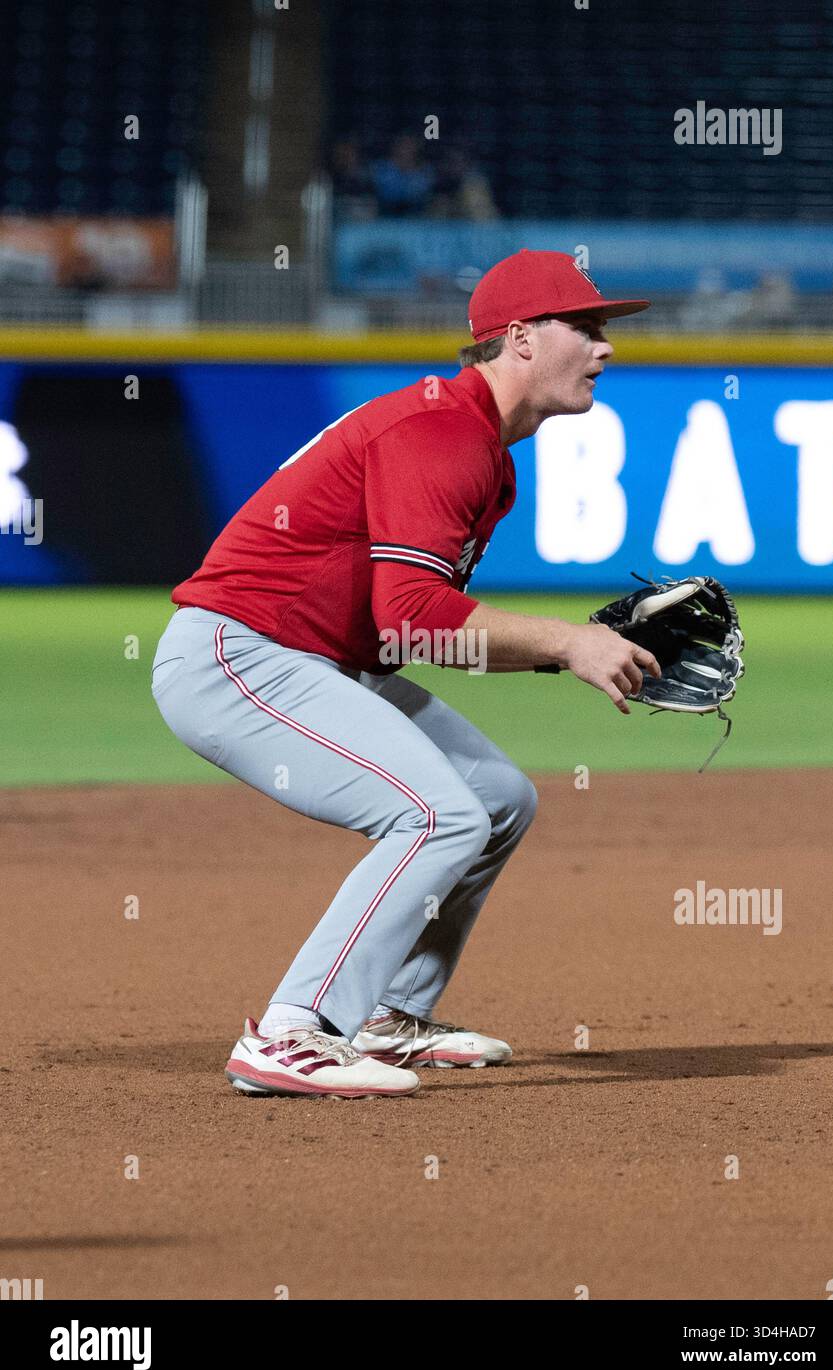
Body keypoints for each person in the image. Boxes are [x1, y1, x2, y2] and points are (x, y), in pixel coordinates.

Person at [151, 249, 657, 1100]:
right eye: (589, 327)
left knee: (497, 798)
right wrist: (566, 643)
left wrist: (566, 646)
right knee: (435, 813)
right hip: (237, 653)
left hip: (317, 658)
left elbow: (408, 633)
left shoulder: (482, 448)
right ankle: (293, 1030)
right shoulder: (440, 432)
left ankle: (384, 1014)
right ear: (521, 338)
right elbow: (411, 618)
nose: (606, 348)